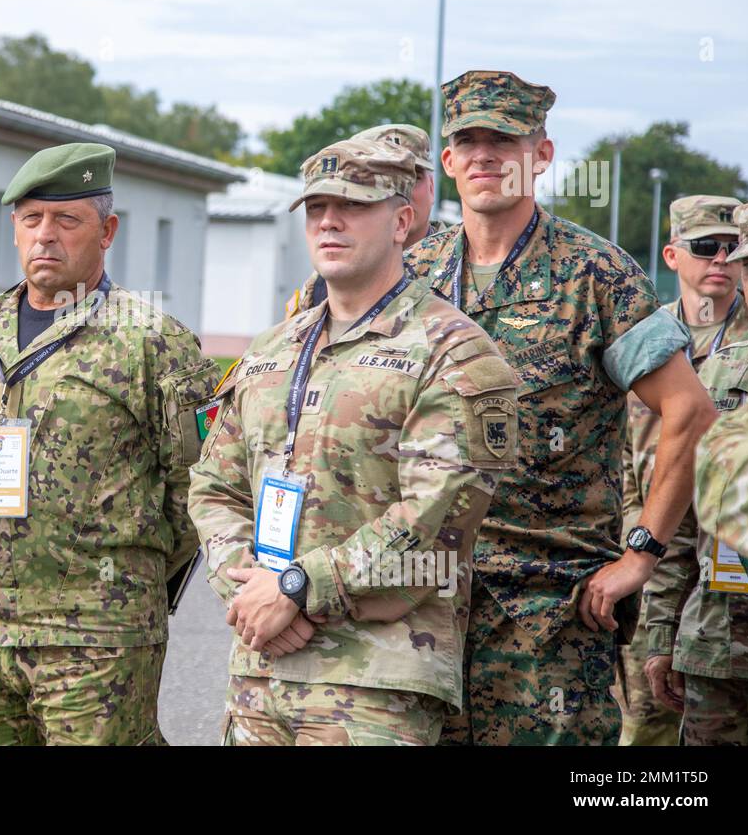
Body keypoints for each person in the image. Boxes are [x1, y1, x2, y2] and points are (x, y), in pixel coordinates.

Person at [404, 70, 717, 745]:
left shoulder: (595, 274)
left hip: (545, 613)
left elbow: (689, 412)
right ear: (449, 160)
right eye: (470, 141)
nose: (486, 156)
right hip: (422, 604)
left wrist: (642, 554)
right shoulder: (412, 276)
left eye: (505, 141)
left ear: (541, 156)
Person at [189, 138, 518, 745]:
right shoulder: (272, 349)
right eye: (316, 208)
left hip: (376, 681)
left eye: (353, 205)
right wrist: (248, 585)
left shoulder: (456, 352)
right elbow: (213, 483)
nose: (329, 221)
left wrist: (297, 587)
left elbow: (434, 522)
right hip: (262, 667)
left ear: (401, 222)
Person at [0, 142, 219, 745]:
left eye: (67, 220)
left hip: (98, 634)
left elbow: (195, 491)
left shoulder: (154, 343)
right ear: (14, 227)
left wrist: (123, 577)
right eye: (31, 219)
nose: (45, 236)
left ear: (107, 231)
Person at [620, 196, 748, 745]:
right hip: (689, 601)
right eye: (706, 248)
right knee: (648, 736)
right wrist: (659, 628)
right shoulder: (648, 343)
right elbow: (652, 488)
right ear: (673, 255)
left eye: (732, 250)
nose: (720, 260)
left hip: (707, 603)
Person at [282, 123, 439, 320]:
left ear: (431, 187)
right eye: (380, 180)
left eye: (412, 178)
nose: (400, 191)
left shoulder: (459, 266)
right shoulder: (322, 284)